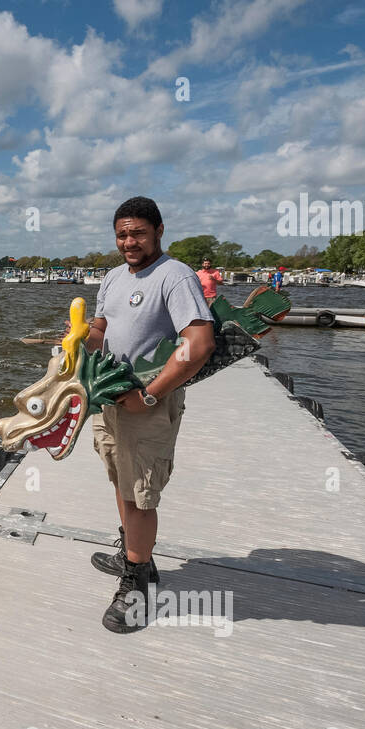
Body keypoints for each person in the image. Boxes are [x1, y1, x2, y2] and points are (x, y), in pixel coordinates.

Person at [80, 197, 215, 634]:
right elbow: (102, 328)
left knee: (141, 495)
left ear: (159, 230)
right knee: (120, 480)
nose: (129, 242)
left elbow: (198, 343)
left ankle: (137, 585)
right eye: (121, 234)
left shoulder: (174, 277)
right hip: (111, 398)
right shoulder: (114, 277)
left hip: (148, 401)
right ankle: (135, 553)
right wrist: (83, 337)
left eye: (138, 233)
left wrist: (151, 396)